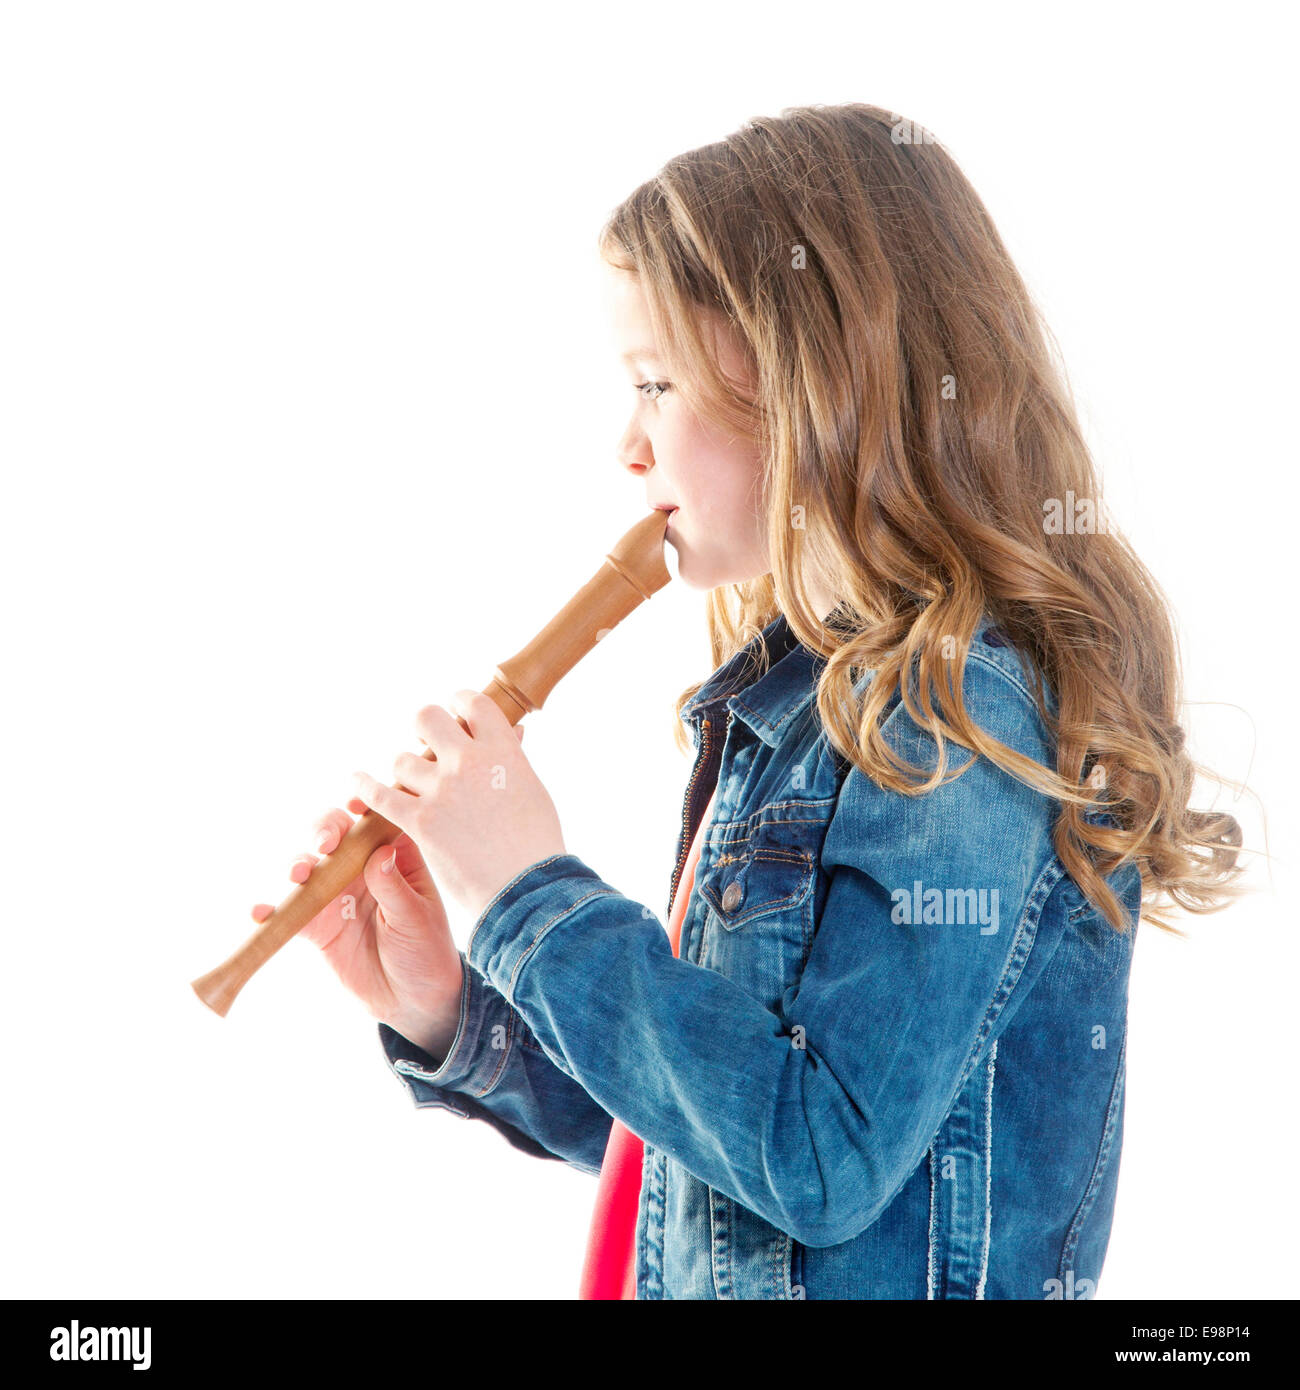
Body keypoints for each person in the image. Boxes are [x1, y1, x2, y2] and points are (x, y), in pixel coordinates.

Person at [251, 103, 1245, 1300]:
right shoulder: (807, 706)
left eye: (656, 382)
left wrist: (528, 893)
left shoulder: (956, 714)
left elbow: (816, 1155)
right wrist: (456, 1004)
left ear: (815, 385)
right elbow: (704, 1157)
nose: (628, 444)